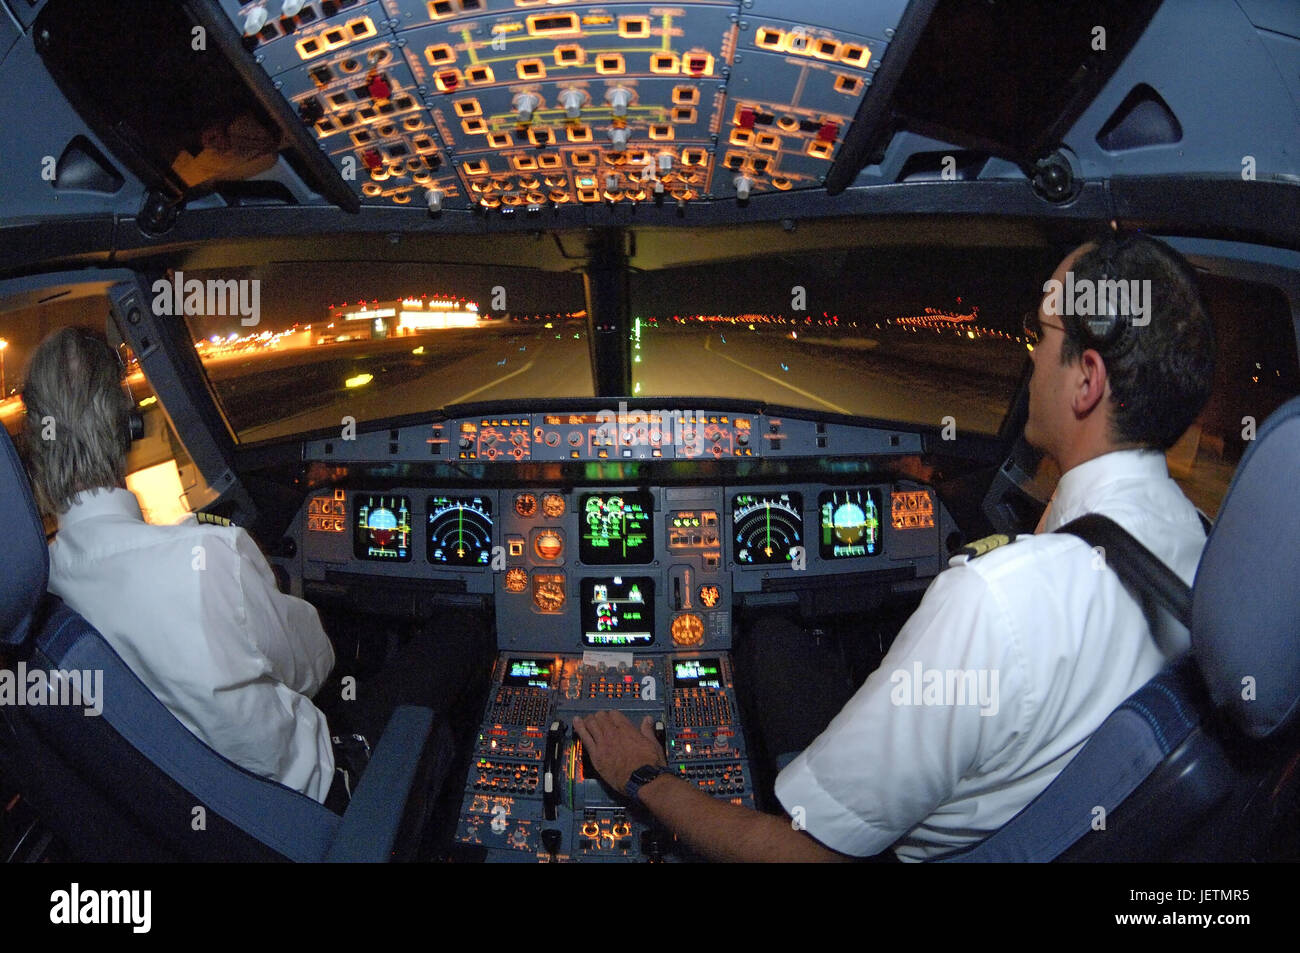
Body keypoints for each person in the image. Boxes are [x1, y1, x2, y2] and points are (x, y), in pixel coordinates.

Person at [574, 233, 1216, 861]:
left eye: (1037, 336)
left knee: (767, 643)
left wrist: (643, 777)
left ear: (1088, 380)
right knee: (774, 640)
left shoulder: (995, 601)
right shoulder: (1204, 552)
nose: (1029, 357)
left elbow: (806, 854)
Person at [22, 327, 337, 802]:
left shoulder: (37, 590)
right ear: (127, 422)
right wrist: (260, 582)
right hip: (311, 801)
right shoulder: (211, 556)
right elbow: (316, 664)